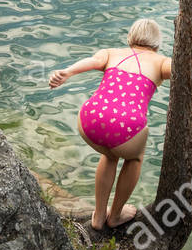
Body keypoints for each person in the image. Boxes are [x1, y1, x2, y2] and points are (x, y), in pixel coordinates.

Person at [49, 19, 172, 229]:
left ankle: (98, 217)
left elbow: (91, 61)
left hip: (89, 119)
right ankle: (115, 216)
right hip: (125, 128)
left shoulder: (111, 52)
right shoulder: (161, 62)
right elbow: (185, 73)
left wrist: (67, 72)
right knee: (134, 159)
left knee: (110, 154)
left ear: (129, 38)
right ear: (157, 44)